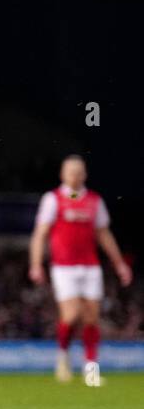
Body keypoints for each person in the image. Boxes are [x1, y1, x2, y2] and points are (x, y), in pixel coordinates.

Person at [29, 154, 132, 386]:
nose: (75, 177)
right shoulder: (53, 199)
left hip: (90, 266)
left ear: (84, 174)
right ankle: (63, 357)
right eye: (70, 172)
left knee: (92, 318)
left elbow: (104, 234)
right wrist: (36, 264)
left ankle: (91, 371)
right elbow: (40, 234)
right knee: (71, 314)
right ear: (63, 175)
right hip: (63, 267)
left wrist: (119, 263)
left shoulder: (94, 200)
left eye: (79, 172)